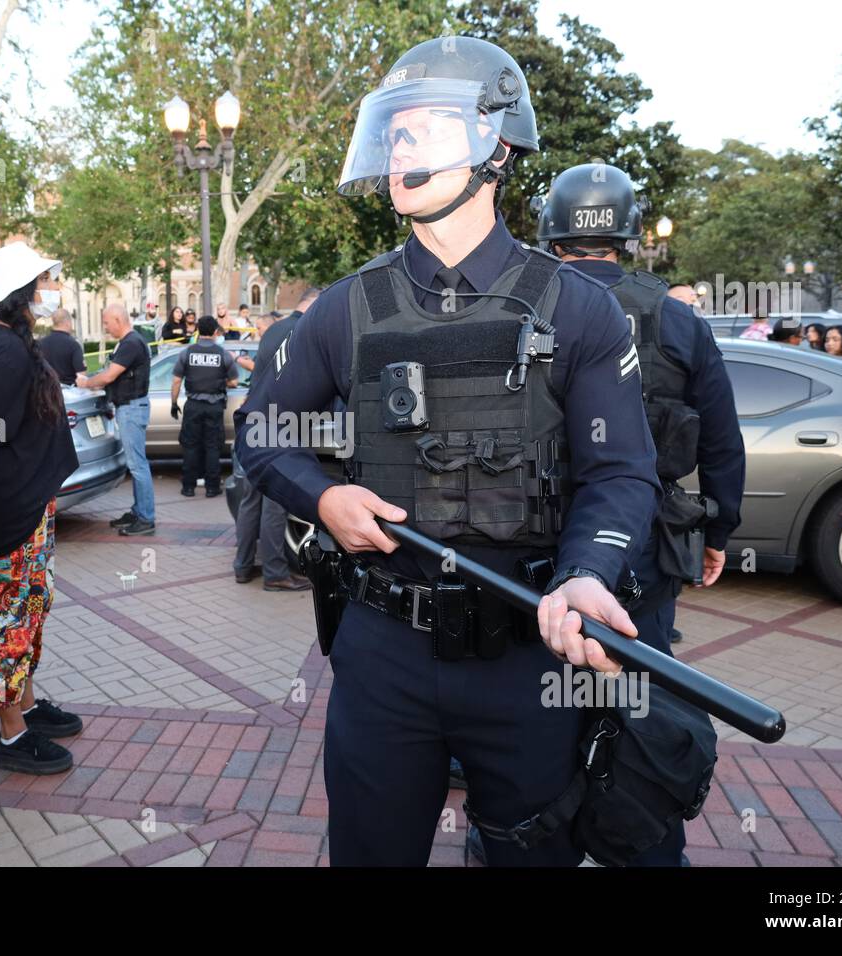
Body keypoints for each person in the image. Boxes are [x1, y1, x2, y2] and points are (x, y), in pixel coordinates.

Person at [235, 36, 660, 867]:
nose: (400, 151)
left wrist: (587, 573)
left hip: (528, 649)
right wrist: (323, 500)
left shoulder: (578, 310)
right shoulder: (344, 310)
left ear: (495, 147)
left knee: (531, 852)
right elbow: (261, 434)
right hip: (382, 650)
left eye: (422, 129)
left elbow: (621, 471)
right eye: (392, 133)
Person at [537, 161, 746, 865]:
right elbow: (721, 440)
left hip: (541, 546)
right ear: (626, 232)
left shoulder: (527, 302)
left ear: (553, 226)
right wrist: (718, 532)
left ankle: (534, 836)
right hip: (644, 549)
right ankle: (646, 846)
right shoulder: (678, 317)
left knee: (540, 701)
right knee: (637, 698)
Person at [0, 241, 81, 775]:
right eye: (41, 283)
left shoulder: (15, 343)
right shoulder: (4, 351)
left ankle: (28, 706)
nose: (48, 289)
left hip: (32, 502)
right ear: (21, 293)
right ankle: (11, 735)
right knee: (10, 615)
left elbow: (11, 422)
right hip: (13, 509)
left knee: (32, 607)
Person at [232, 293, 320, 593]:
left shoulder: (272, 331)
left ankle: (243, 566)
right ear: (314, 304)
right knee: (276, 502)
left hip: (255, 418)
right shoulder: (308, 329)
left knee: (250, 499)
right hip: (283, 423)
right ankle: (275, 573)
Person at [79, 303, 156, 536]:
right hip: (130, 407)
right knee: (136, 464)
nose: (105, 327)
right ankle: (138, 511)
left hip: (131, 408)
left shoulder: (131, 343)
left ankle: (146, 518)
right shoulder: (131, 341)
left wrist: (85, 383)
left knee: (138, 465)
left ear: (118, 320)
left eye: (106, 322)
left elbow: (110, 375)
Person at [171, 316, 237, 498]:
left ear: (198, 330)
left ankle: (188, 487)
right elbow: (234, 381)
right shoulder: (222, 354)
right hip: (214, 406)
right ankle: (212, 487)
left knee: (191, 446)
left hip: (192, 406)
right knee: (212, 447)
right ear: (216, 331)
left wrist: (174, 403)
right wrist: (218, 381)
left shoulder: (187, 353)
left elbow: (176, 381)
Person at [38, 308, 87, 386]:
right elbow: (82, 376)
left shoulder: (40, 343)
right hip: (70, 392)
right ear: (68, 323)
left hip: (47, 391)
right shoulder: (73, 345)